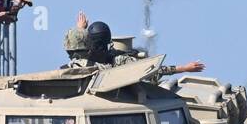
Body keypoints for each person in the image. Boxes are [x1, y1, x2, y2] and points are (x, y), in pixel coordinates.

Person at [64, 14, 205, 77]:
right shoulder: (116, 61)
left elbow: (76, 46)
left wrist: (80, 29)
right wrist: (184, 68)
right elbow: (154, 71)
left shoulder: (78, 62)